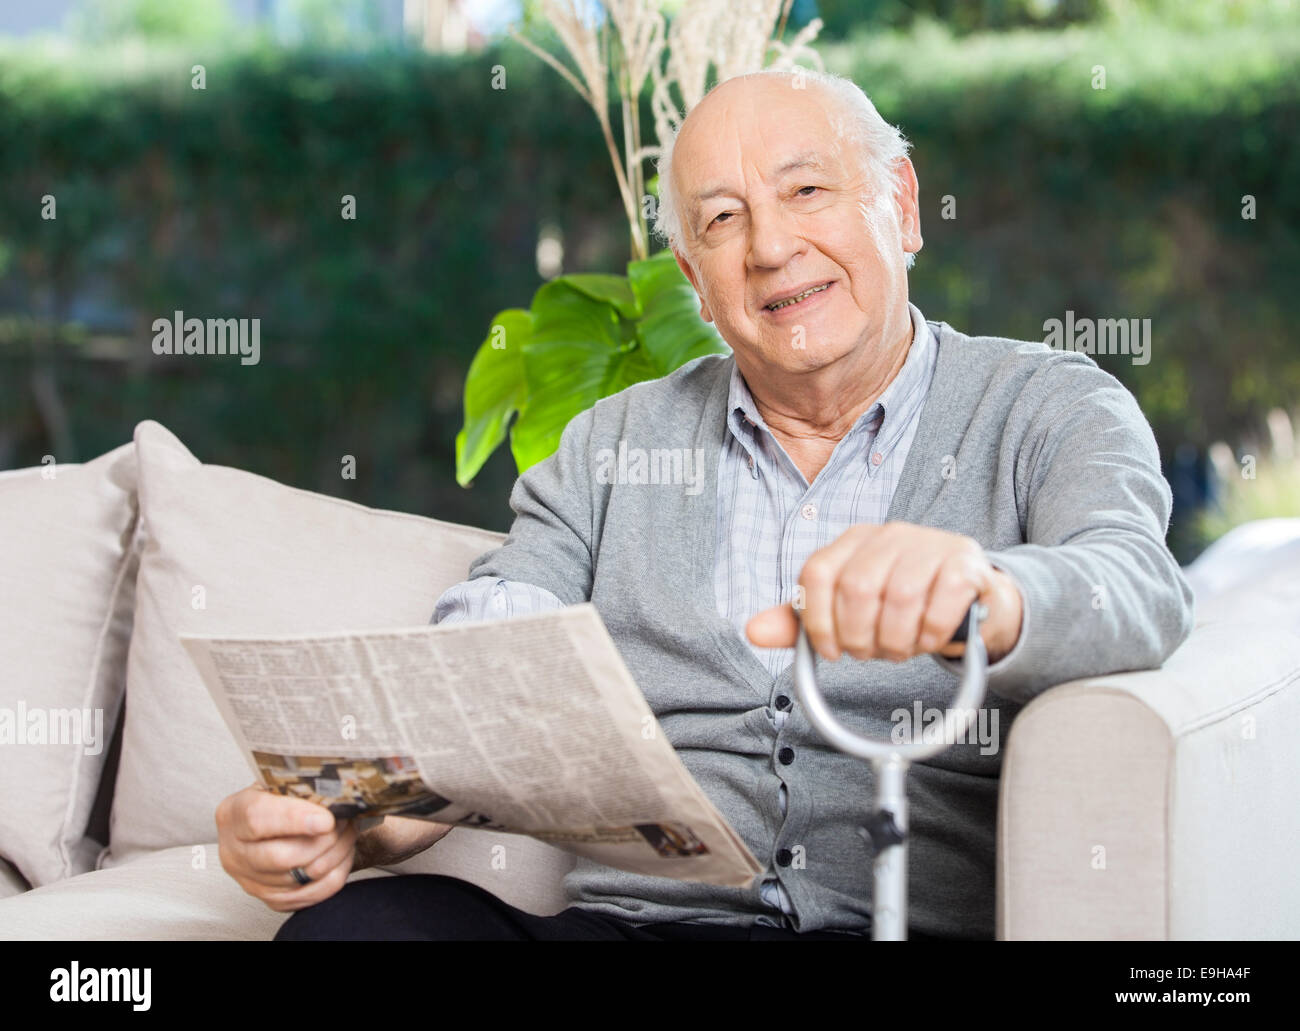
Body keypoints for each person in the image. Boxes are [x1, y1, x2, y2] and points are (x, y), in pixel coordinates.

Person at [216, 67, 1194, 941]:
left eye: (806, 191)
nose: (770, 247)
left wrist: (984, 594)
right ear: (694, 278)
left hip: (898, 922)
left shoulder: (1047, 406)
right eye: (722, 220)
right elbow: (485, 671)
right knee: (356, 929)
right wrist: (344, 820)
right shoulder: (610, 444)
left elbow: (1137, 585)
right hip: (637, 927)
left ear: (900, 205)